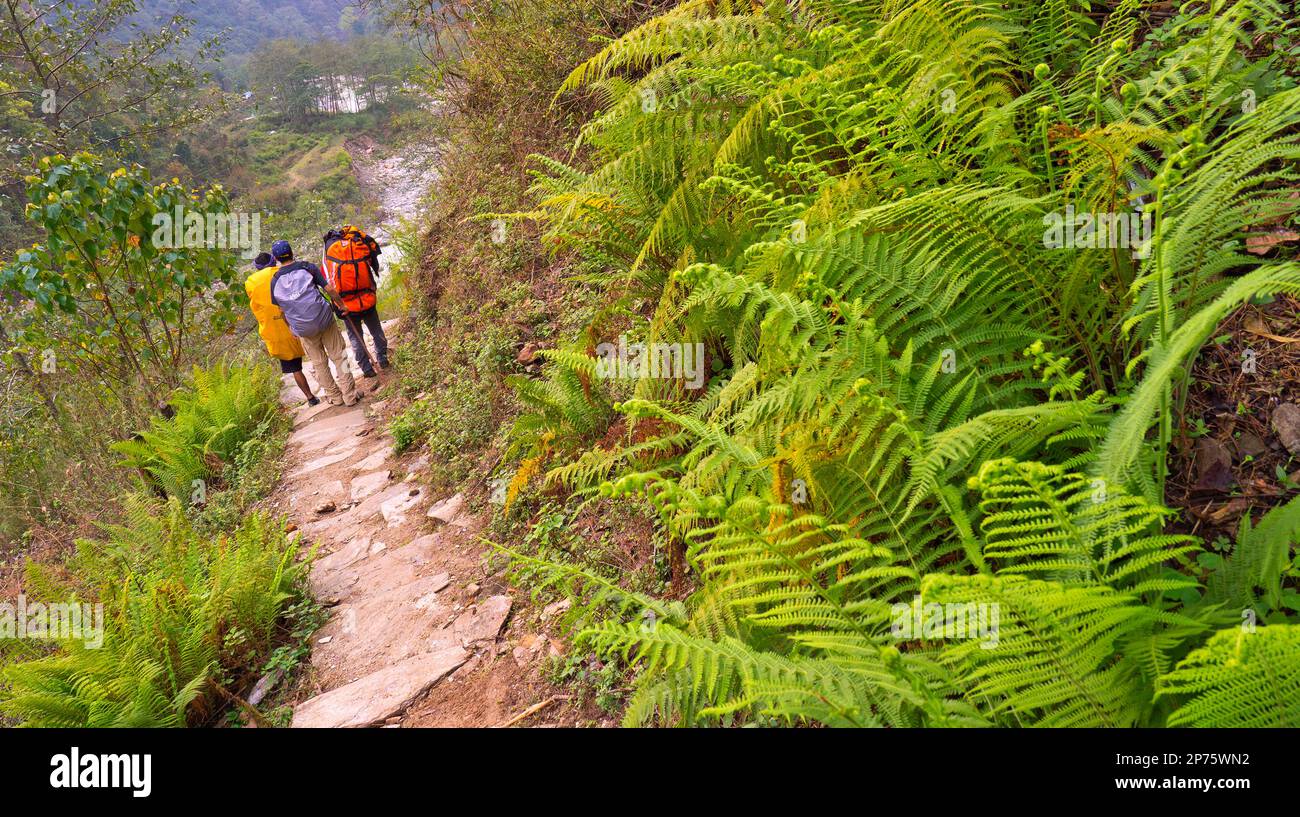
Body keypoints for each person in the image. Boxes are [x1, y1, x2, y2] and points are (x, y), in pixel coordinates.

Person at [268, 239, 360, 407]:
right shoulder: (307, 267)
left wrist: (291, 328)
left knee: (319, 363)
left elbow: (282, 310)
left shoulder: (275, 280)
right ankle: (350, 395)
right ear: (292, 252)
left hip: (303, 329)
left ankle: (336, 397)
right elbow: (329, 289)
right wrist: (342, 305)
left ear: (276, 258)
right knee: (340, 356)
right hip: (323, 319)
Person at [246, 252, 318, 406]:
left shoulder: (250, 283)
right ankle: (332, 390)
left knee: (295, 368)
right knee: (318, 355)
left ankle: (311, 398)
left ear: (257, 267)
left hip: (275, 332)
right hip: (298, 322)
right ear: (274, 261)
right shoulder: (281, 273)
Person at [322, 225, 389, 378]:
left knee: (355, 337)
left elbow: (327, 280)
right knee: (376, 330)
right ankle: (383, 359)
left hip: (347, 305)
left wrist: (336, 304)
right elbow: (373, 259)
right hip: (367, 299)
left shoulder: (331, 250)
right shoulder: (358, 244)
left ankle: (366, 369)